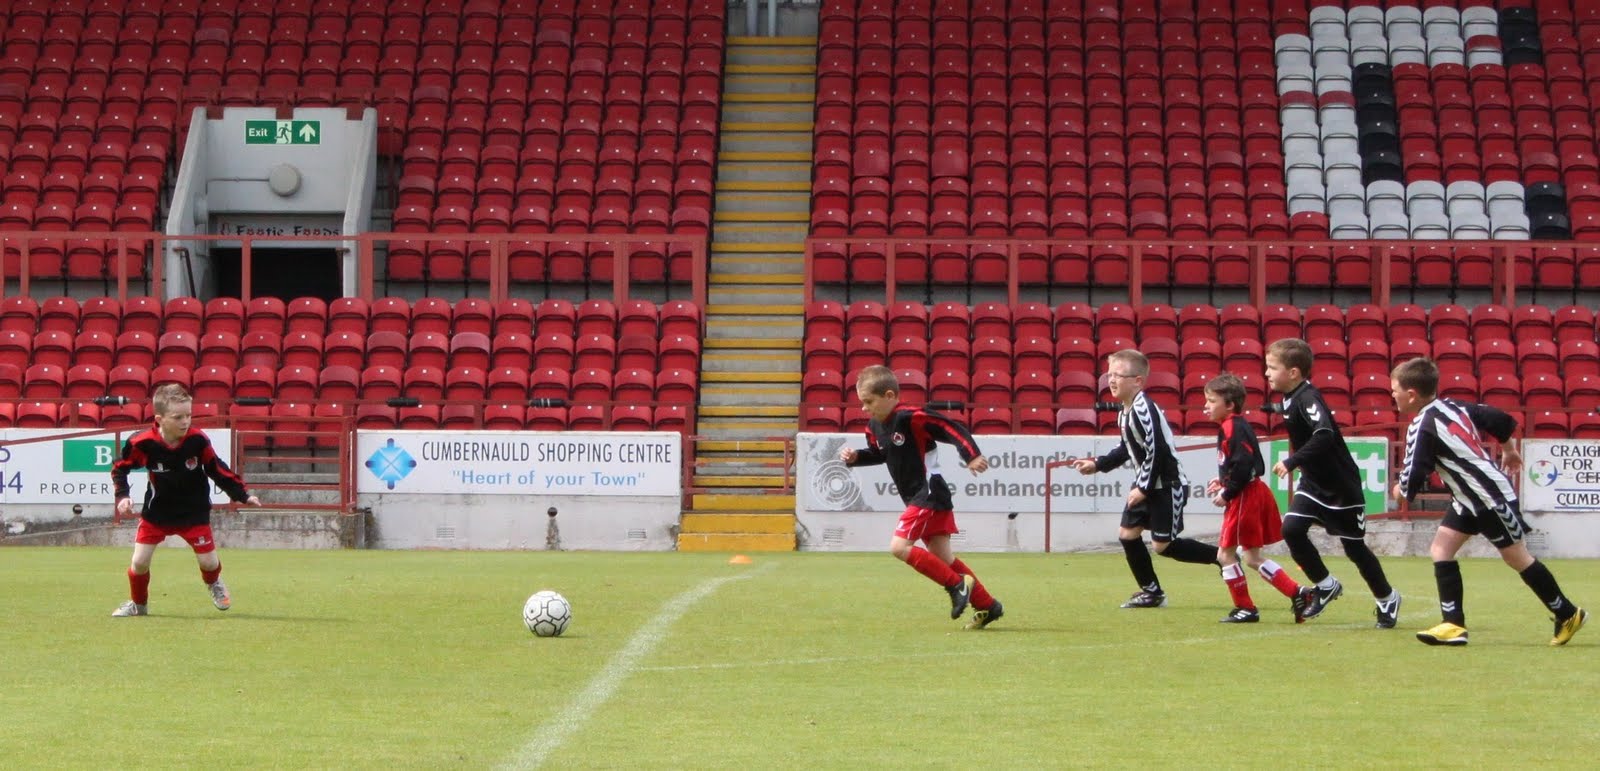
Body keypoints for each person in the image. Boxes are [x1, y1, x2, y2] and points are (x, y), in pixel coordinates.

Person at [1390, 357, 1586, 646]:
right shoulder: (1453, 406)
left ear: (1411, 394)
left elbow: (1412, 478)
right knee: (1441, 547)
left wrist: (1398, 490)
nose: (1392, 395)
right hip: (1468, 499)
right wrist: (1508, 449)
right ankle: (1453, 625)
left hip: (1489, 498)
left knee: (1516, 557)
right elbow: (1498, 418)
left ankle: (1568, 612)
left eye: (1394, 390)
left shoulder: (1422, 425)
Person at [839, 365, 1003, 629]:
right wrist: (857, 457)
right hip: (922, 498)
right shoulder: (874, 427)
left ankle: (957, 585)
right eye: (862, 403)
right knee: (943, 558)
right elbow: (882, 454)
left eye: (868, 401)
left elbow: (952, 428)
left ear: (890, 395)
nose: (864, 408)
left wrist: (971, 455)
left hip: (928, 493)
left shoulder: (910, 417)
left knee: (898, 547)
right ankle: (988, 605)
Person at [1266, 338, 1401, 628]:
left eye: (1272, 368)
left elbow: (1324, 433)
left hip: (1341, 487)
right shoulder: (1290, 398)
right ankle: (1326, 585)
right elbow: (1288, 412)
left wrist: (1291, 461)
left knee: (1355, 549)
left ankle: (1387, 598)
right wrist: (1267, 410)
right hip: (1313, 483)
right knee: (1291, 528)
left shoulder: (1308, 397)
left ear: (1293, 373)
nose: (1267, 373)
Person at [1072, 350, 1218, 609]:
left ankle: (1222, 556)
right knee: (1127, 535)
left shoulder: (1144, 409)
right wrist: (1097, 464)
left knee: (1163, 545)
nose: (1111, 380)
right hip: (1147, 483)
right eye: (1109, 374)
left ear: (1138, 381)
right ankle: (1151, 592)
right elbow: (1126, 449)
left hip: (1167, 485)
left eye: (1118, 375)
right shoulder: (1125, 410)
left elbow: (1158, 450)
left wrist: (1143, 487)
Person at [110, 383, 261, 617]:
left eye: (189, 415)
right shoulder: (142, 443)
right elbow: (120, 469)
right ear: (159, 419)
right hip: (157, 512)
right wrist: (123, 496)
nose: (185, 421)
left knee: (209, 564)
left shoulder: (197, 441)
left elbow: (217, 469)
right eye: (178, 417)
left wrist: (243, 494)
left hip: (193, 512)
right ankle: (138, 605)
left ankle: (214, 583)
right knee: (139, 563)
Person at [1203, 374, 1314, 623]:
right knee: (1251, 557)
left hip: (1244, 496)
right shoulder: (1235, 425)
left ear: (1229, 404)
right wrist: (1224, 481)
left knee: (1225, 555)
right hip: (1251, 491)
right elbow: (1245, 464)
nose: (1206, 406)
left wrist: (1227, 491)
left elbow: (1244, 464)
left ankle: (1246, 608)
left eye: (1211, 401)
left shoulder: (1232, 426)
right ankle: (1298, 593)